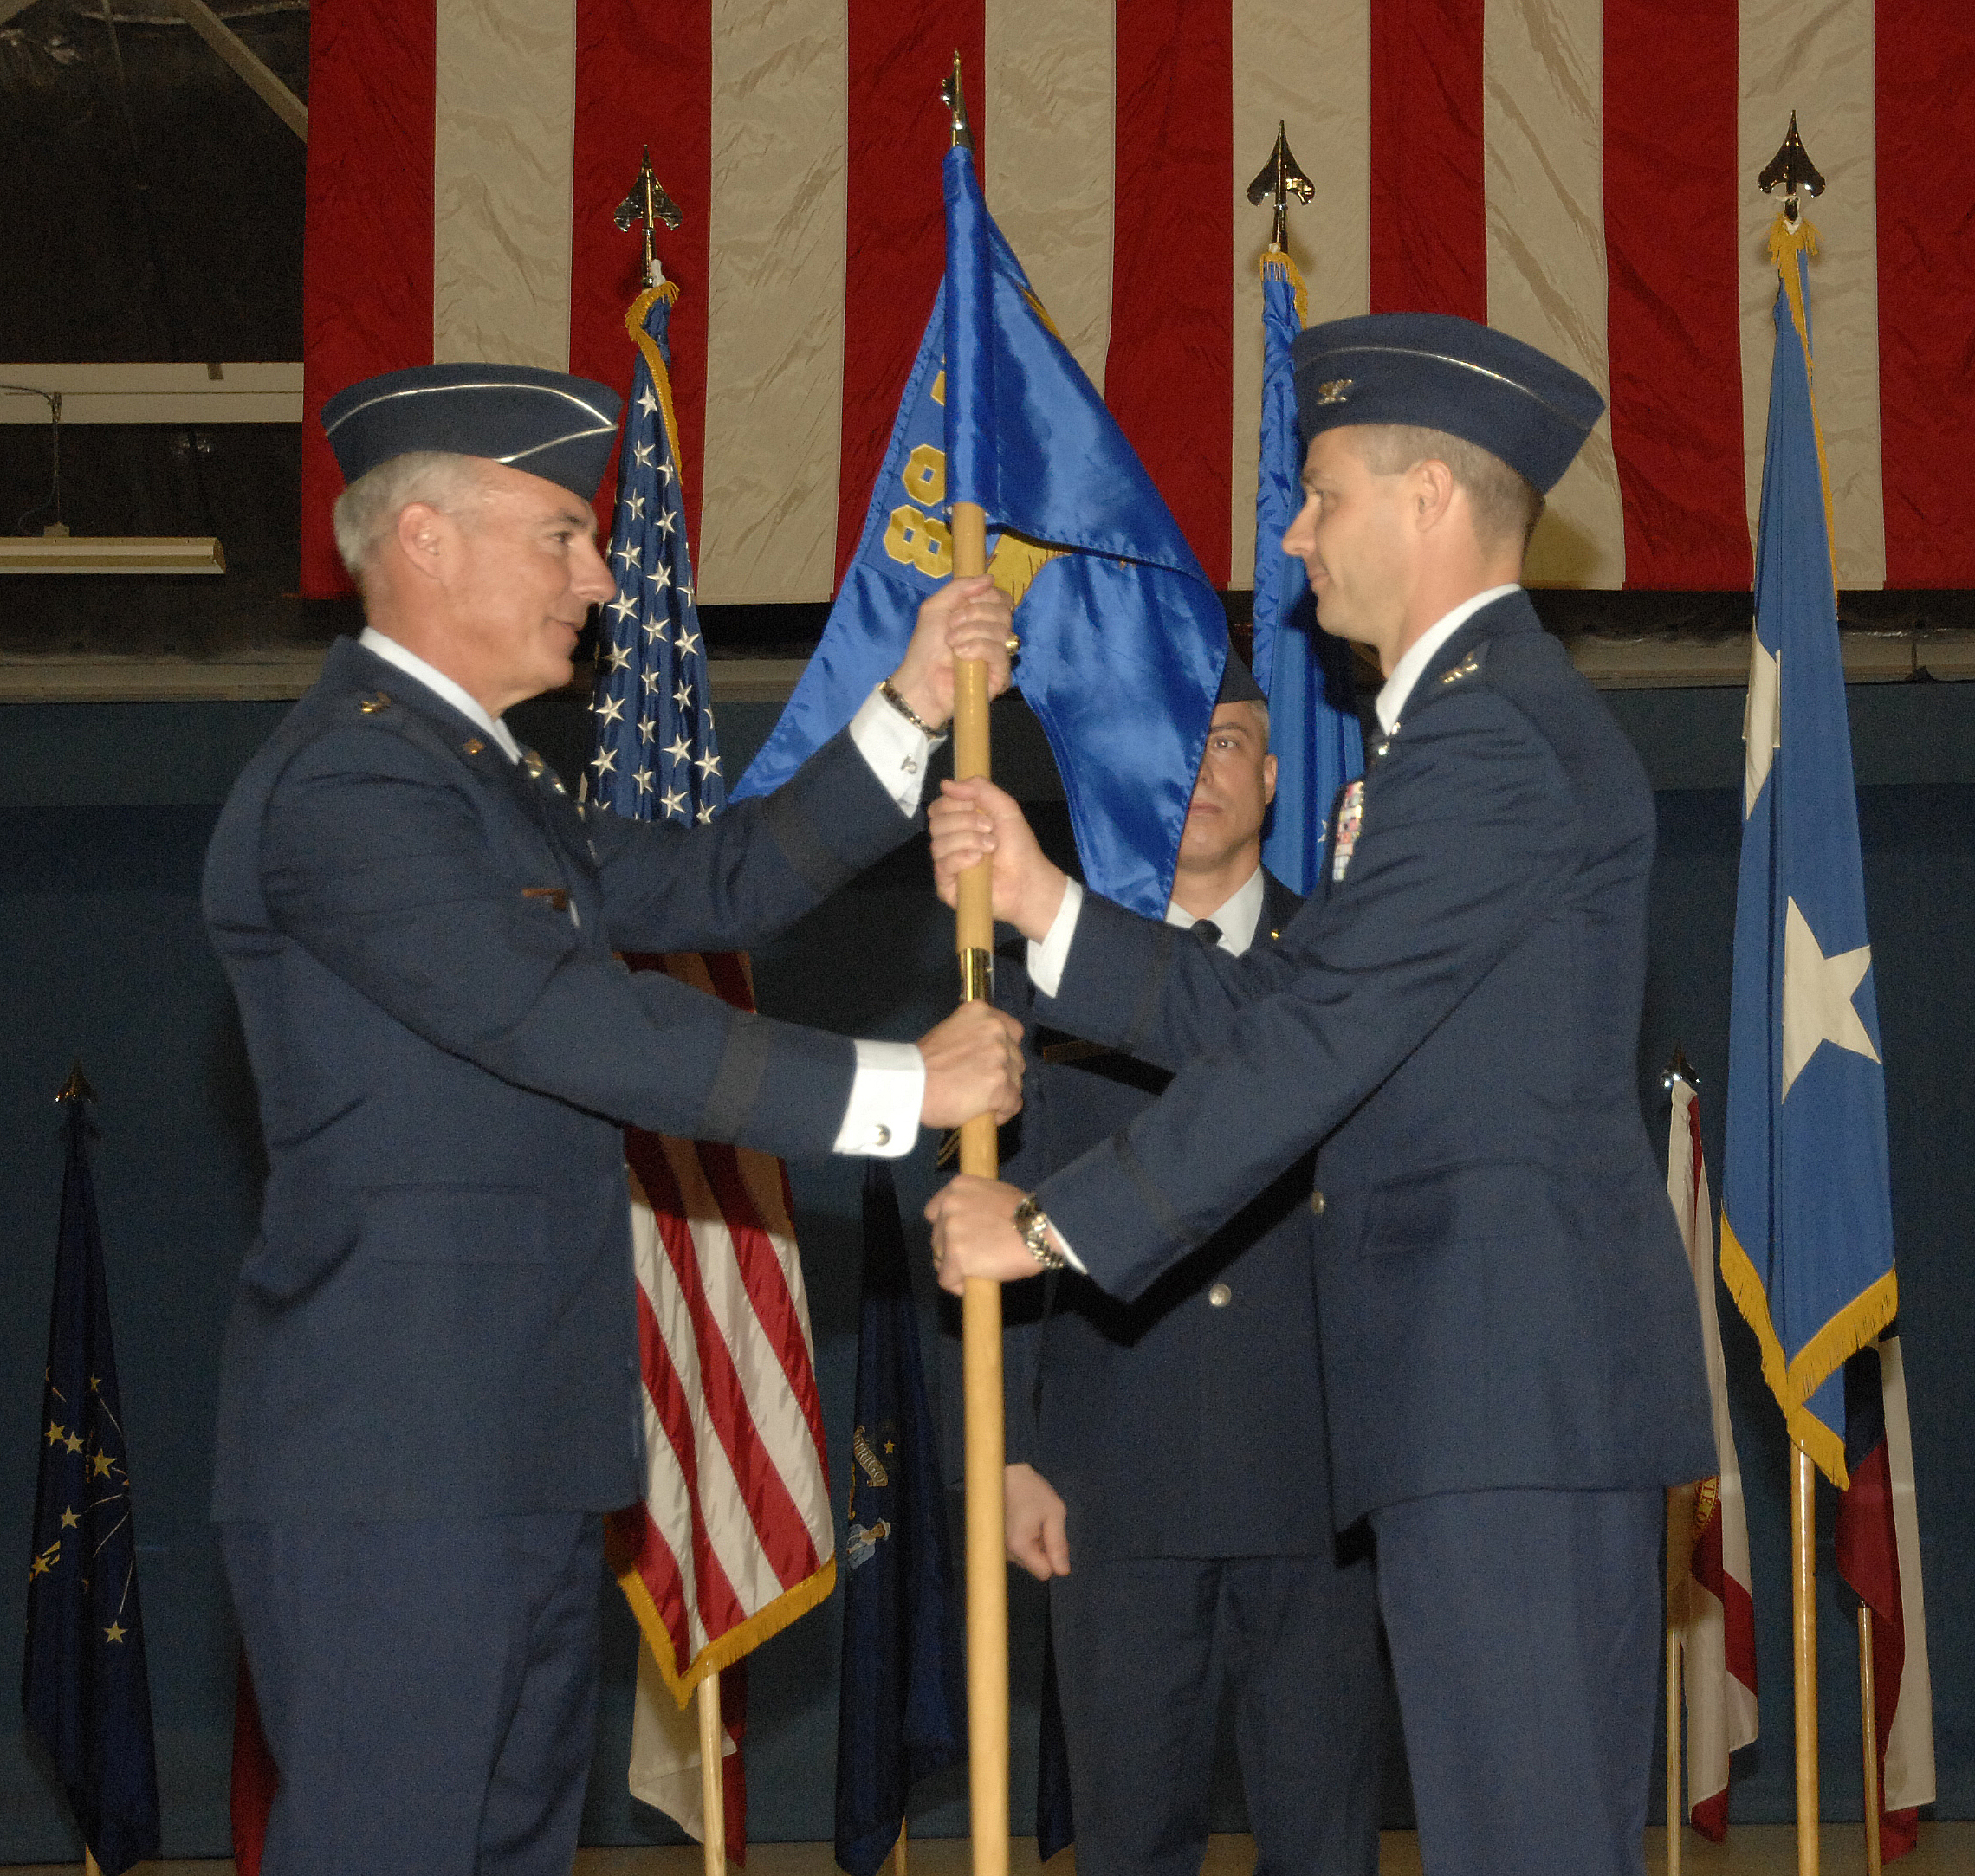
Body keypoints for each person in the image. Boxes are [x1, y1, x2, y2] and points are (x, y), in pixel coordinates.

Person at [202, 362, 1025, 1876]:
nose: (600, 574)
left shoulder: (482, 781)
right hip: (394, 1467)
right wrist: (908, 1087)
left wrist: (906, 710)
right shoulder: (352, 785)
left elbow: (715, 884)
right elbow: (570, 1018)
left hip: (508, 1448)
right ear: (429, 538)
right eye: (562, 534)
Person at [923, 314, 1713, 1876]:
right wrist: (1048, 907)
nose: (1292, 534)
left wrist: (1058, 1227)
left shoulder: (1486, 736)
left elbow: (1316, 1042)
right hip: (1485, 1403)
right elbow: (1291, 1001)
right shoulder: (1464, 733)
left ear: (1427, 499)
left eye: (1320, 493)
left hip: (1507, 1403)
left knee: (1529, 1840)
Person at [991, 656, 1386, 1876]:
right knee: (1129, 1843)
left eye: (1229, 741)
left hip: (1314, 1486)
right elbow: (995, 1233)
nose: (1204, 767)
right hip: (1117, 1486)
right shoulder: (1043, 981)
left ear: (1271, 777)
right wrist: (1007, 1452)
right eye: (1181, 741)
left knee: (1326, 1843)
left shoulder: (1345, 972)